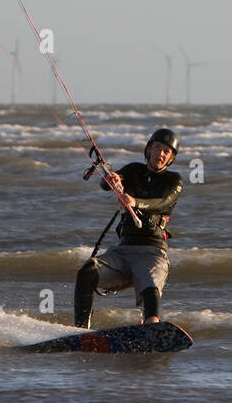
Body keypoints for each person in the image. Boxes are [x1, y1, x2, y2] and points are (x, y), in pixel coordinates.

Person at [73, 128, 183, 329]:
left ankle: (151, 328)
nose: (160, 153)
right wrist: (113, 179)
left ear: (171, 158)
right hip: (123, 251)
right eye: (157, 147)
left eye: (166, 151)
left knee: (150, 289)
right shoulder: (133, 170)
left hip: (153, 253)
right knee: (87, 272)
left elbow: (162, 202)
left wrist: (135, 202)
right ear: (149, 150)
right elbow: (106, 185)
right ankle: (80, 331)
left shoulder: (174, 181)